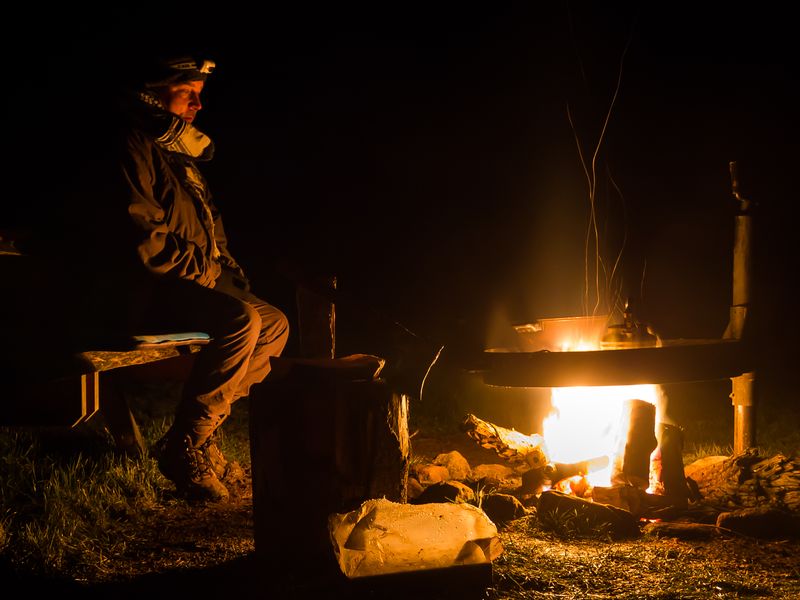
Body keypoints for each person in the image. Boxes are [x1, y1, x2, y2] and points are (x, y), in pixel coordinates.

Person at [91, 53, 290, 502]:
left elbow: (210, 230)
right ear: (155, 93)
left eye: (200, 96)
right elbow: (144, 240)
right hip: (147, 288)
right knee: (240, 321)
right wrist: (211, 273)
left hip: (191, 280)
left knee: (274, 323)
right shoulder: (132, 144)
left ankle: (195, 433)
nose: (198, 106)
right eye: (189, 94)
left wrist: (229, 272)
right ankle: (188, 445)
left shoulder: (178, 156)